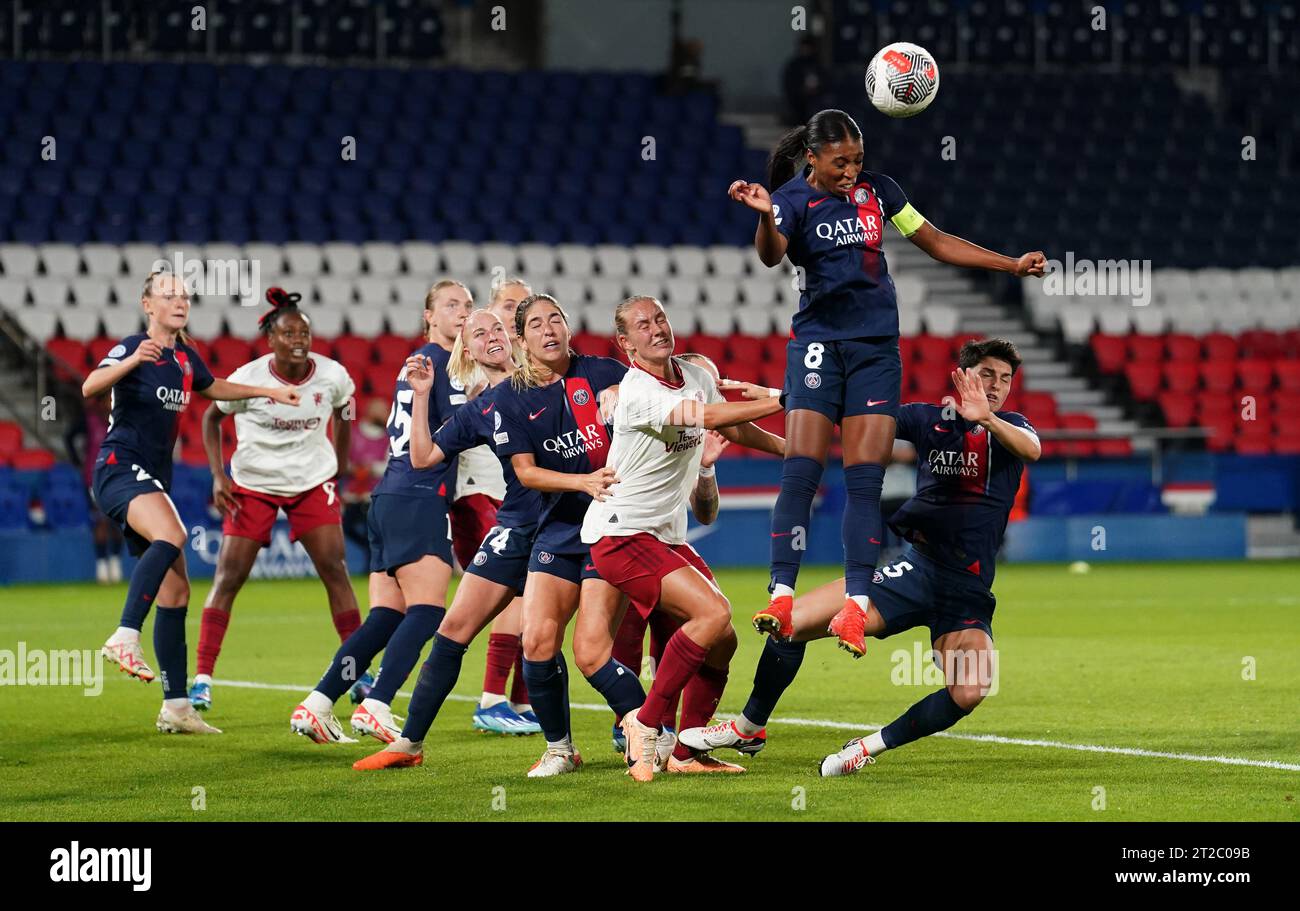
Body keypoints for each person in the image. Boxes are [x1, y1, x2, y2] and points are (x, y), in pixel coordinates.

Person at [727, 108, 1046, 647]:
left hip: (876, 350)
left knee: (864, 481)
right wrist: (763, 214)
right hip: (818, 346)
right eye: (839, 162)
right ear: (812, 157)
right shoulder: (789, 202)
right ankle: (781, 595)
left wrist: (1010, 265)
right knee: (801, 471)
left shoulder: (881, 192)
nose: (851, 171)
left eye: (857, 160)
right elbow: (771, 255)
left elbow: (936, 240)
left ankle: (855, 605)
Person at [678, 339, 1040, 777]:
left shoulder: (1013, 428)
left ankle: (867, 746)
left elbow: (1031, 449)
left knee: (971, 689)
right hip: (917, 572)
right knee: (790, 623)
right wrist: (783, 398)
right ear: (962, 377)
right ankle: (750, 726)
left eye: (1005, 378)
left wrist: (989, 420)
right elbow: (852, 414)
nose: (997, 386)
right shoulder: (932, 419)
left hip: (967, 592)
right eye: (987, 375)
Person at [575, 297, 785, 781]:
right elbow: (706, 419)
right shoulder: (637, 391)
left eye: (661, 318)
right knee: (712, 613)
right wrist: (791, 396)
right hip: (621, 532)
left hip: (664, 536)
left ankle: (688, 751)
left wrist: (787, 449)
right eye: (643, 325)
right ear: (626, 345)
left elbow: (731, 421)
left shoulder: (696, 376)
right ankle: (647, 726)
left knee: (723, 641)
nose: (657, 329)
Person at [87, 270, 301, 734]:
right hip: (119, 467)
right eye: (168, 295)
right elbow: (90, 386)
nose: (179, 301)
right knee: (173, 534)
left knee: (177, 591)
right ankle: (126, 634)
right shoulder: (133, 346)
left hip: (150, 477)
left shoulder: (184, 357)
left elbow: (214, 387)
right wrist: (129, 363)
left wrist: (266, 391)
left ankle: (177, 707)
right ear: (148, 305)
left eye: (184, 294)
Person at [353, 308, 558, 769]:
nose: (491, 337)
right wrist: (423, 396)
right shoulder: (481, 405)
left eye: (498, 329)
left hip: (569, 525)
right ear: (466, 349)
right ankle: (409, 745)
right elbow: (423, 455)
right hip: (515, 525)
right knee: (452, 630)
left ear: (514, 338)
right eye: (479, 333)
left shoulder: (557, 379)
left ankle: (620, 734)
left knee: (563, 640)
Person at [289, 280, 469, 744]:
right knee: (428, 612)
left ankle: (319, 702)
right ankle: (378, 702)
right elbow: (458, 429)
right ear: (428, 315)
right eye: (451, 305)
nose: (463, 312)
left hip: (387, 495)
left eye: (468, 305)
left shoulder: (421, 362)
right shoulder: (442, 365)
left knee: (386, 618)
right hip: (421, 494)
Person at [189, 287, 361, 712]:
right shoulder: (250, 379)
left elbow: (345, 409)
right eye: (289, 333)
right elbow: (211, 418)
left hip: (311, 481)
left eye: (304, 332)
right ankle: (203, 679)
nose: (299, 339)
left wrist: (338, 462)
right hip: (254, 483)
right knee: (228, 579)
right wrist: (217, 475)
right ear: (270, 338)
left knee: (335, 571)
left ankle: (360, 675)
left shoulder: (332, 375)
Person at [483, 293, 627, 777]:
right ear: (521, 340)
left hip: (612, 525)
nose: (549, 330)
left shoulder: (607, 374)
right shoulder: (510, 396)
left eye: (556, 320)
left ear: (568, 327)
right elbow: (525, 472)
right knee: (538, 639)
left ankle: (650, 730)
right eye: (537, 325)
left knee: (594, 648)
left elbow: (661, 413)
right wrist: (581, 481)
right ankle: (561, 748)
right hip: (561, 525)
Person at [462, 276, 537, 734]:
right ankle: (491, 698)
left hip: (523, 496)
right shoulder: (473, 366)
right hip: (481, 491)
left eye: (520, 308)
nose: (514, 315)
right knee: (515, 590)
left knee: (539, 595)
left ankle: (520, 700)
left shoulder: (526, 367)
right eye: (508, 306)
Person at [65, 393, 123, 584]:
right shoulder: (88, 420)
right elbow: (69, 437)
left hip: (117, 478)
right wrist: (77, 461)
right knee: (100, 521)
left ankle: (115, 562)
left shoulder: (121, 419)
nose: (111, 404)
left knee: (117, 523)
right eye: (108, 400)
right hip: (93, 478)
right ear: (100, 403)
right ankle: (102, 566)